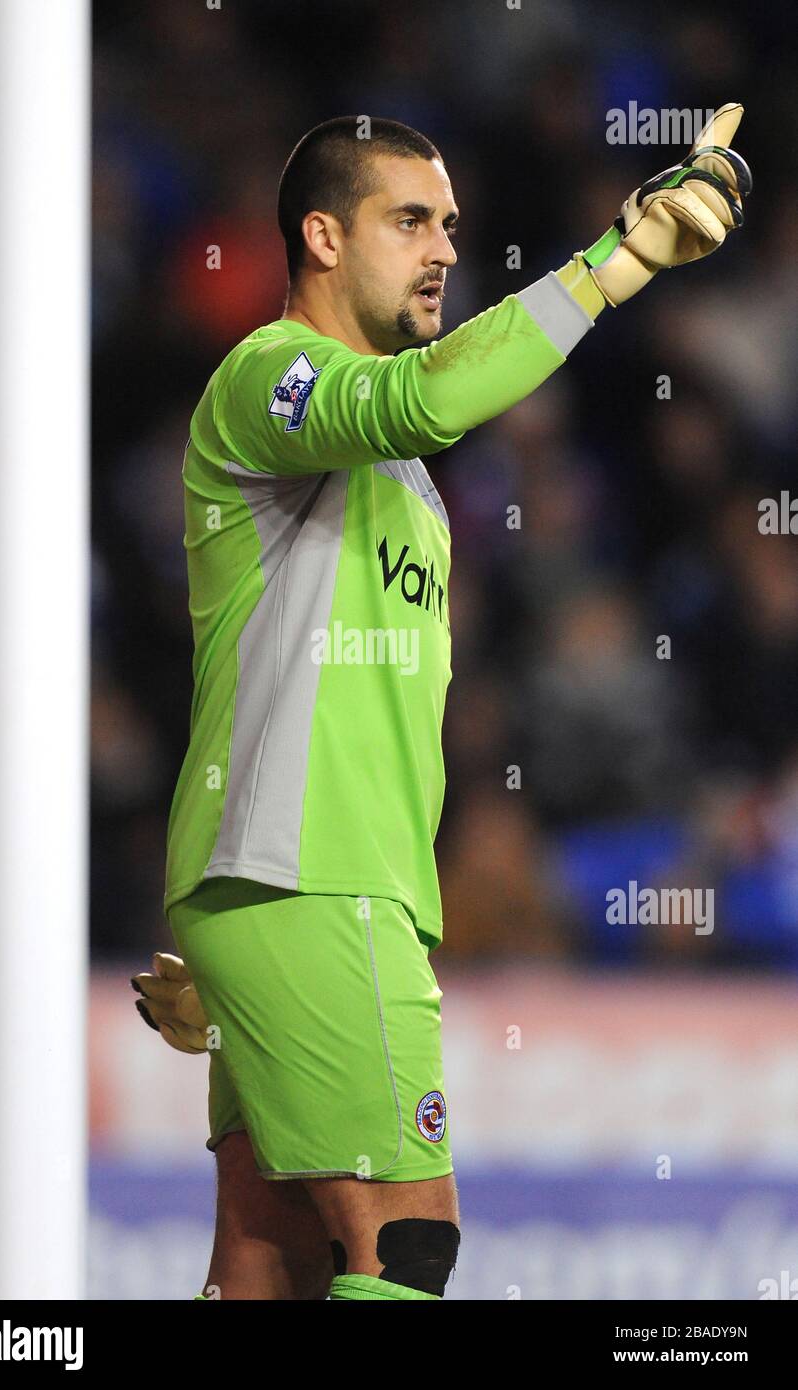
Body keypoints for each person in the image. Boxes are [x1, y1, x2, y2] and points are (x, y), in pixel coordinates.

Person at [133, 108, 749, 1300]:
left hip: (296, 894)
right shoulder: (270, 378)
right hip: (312, 875)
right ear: (319, 235)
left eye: (451, 226)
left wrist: (247, 961)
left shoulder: (406, 483)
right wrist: (612, 263)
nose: (441, 251)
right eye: (407, 220)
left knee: (269, 1266)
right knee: (406, 1247)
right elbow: (416, 399)